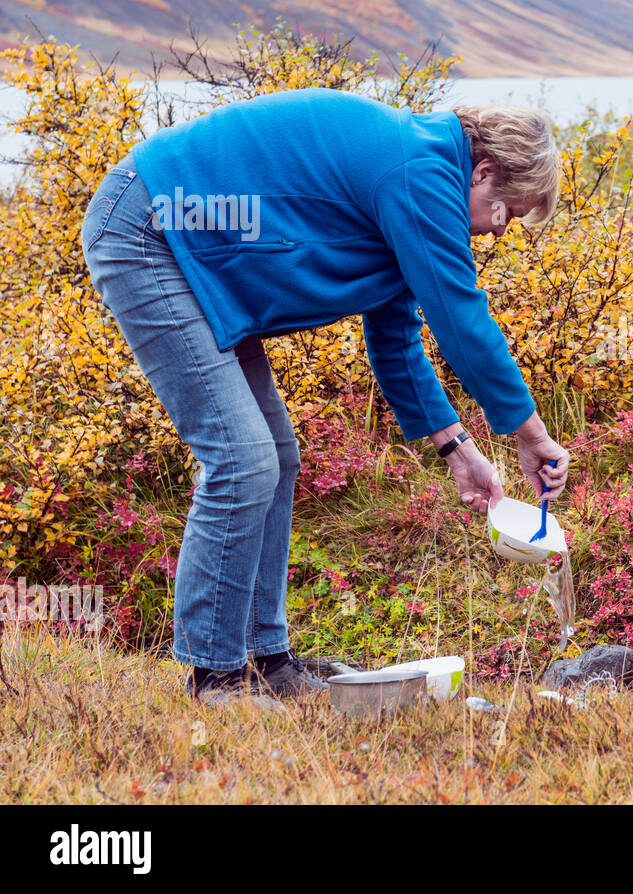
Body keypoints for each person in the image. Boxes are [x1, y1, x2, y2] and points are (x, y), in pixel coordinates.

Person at [79, 88, 571, 707]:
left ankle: (267, 660)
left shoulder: (417, 172)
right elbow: (464, 325)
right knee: (242, 458)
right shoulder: (419, 173)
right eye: (505, 208)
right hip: (151, 229)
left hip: (202, 252)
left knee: (276, 456)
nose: (499, 228)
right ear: (484, 170)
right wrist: (532, 437)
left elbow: (396, 338)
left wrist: (458, 449)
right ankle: (214, 677)